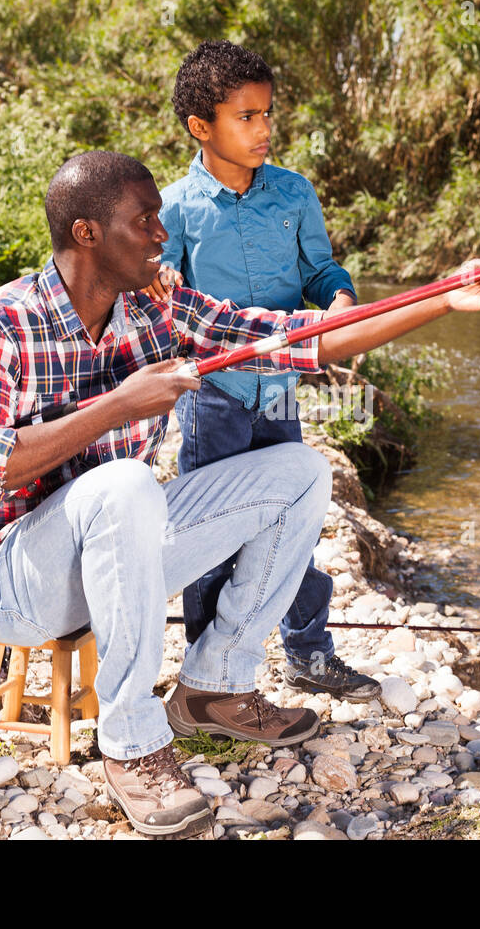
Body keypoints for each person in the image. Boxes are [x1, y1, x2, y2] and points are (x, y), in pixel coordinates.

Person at [0, 149, 480, 838]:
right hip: (11, 583)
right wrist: (119, 406)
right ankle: (131, 745)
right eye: (145, 220)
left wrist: (442, 296)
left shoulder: (159, 306)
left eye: (161, 217)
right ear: (87, 235)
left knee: (298, 471)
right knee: (127, 482)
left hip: (120, 560)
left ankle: (213, 684)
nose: (163, 234)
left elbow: (302, 341)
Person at [151, 39, 374, 700]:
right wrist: (156, 280)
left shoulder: (294, 193)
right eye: (246, 116)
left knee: (293, 521)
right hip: (210, 398)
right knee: (212, 533)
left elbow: (320, 270)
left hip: (279, 394)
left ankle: (308, 654)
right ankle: (206, 676)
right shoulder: (174, 208)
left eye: (268, 113)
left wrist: (339, 298)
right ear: (201, 127)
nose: (264, 129)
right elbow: (155, 290)